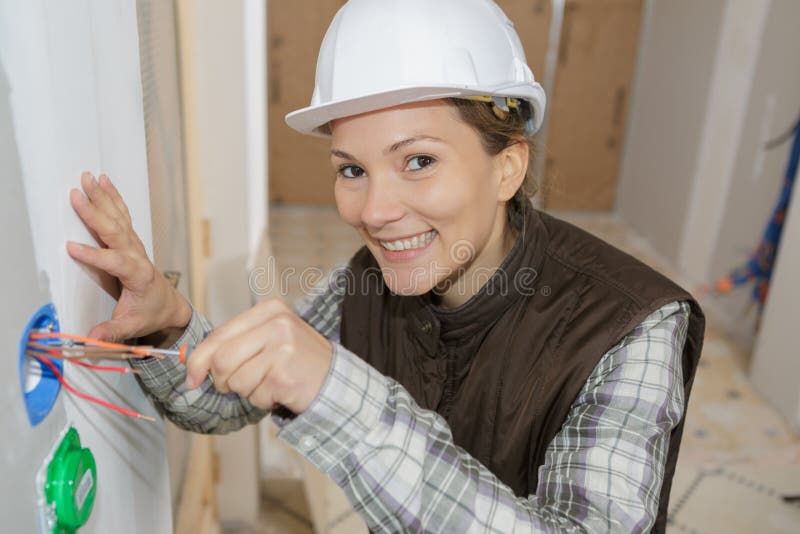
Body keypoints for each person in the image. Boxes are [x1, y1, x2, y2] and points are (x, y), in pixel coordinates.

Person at [66, 0, 704, 532]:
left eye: (419, 161)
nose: (374, 211)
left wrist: (338, 394)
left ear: (507, 166)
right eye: (352, 169)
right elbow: (221, 408)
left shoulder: (634, 328)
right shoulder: (366, 283)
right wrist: (169, 324)